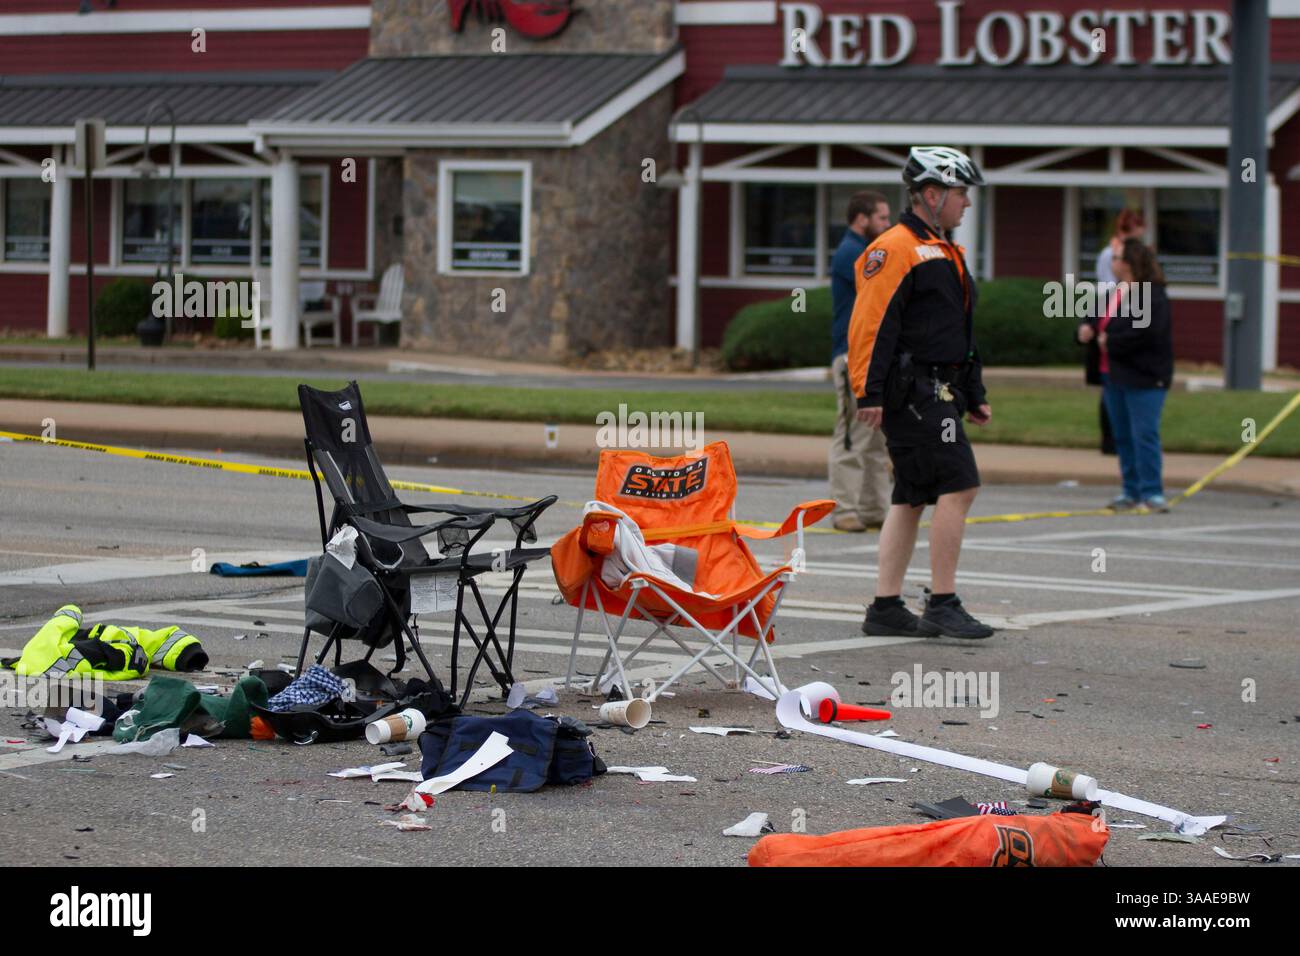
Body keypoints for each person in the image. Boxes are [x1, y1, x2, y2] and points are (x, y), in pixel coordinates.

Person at [848, 146, 995, 640]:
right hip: (912, 392)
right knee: (960, 484)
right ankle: (943, 603)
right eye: (960, 193)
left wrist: (973, 389)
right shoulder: (895, 248)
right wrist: (868, 392)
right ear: (932, 195)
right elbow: (871, 323)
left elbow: (958, 328)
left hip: (938, 388)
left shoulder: (944, 248)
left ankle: (886, 607)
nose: (966, 203)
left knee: (911, 495)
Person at [829, 190, 893, 532]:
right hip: (852, 355)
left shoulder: (867, 251)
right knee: (852, 436)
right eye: (882, 217)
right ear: (861, 219)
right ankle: (845, 509)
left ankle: (873, 508)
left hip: (874, 356)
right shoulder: (852, 254)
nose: (887, 223)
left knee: (875, 436)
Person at [1094, 238, 1173, 512]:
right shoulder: (1116, 292)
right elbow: (1097, 319)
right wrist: (1086, 330)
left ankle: (1152, 493)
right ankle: (1131, 490)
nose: (1112, 262)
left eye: (1116, 257)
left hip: (1144, 376)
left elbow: (1147, 331)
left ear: (1128, 263)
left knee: (1144, 434)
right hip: (1112, 374)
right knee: (1122, 435)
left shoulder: (1151, 294)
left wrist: (1111, 342)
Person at [1081, 209, 1146, 455]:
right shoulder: (1112, 253)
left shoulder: (1145, 289)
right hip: (1114, 307)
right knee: (1110, 389)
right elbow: (1105, 285)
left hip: (1121, 310)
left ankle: (1122, 441)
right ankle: (1111, 441)